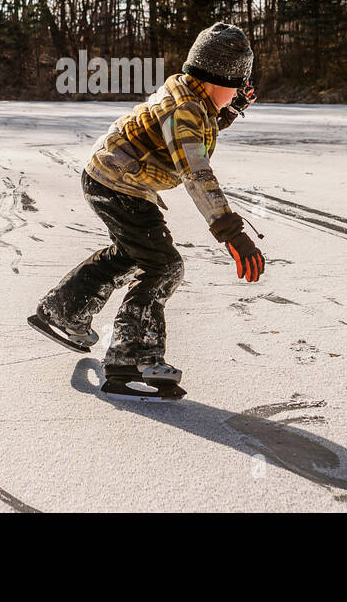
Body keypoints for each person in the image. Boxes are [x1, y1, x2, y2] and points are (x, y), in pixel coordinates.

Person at [29, 22, 266, 394]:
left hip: (111, 176)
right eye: (238, 83)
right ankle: (132, 358)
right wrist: (232, 234)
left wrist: (229, 111)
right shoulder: (186, 109)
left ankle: (64, 310)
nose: (241, 90)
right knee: (163, 265)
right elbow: (196, 172)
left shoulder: (191, 94)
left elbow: (197, 130)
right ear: (217, 78)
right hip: (118, 183)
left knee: (132, 253)